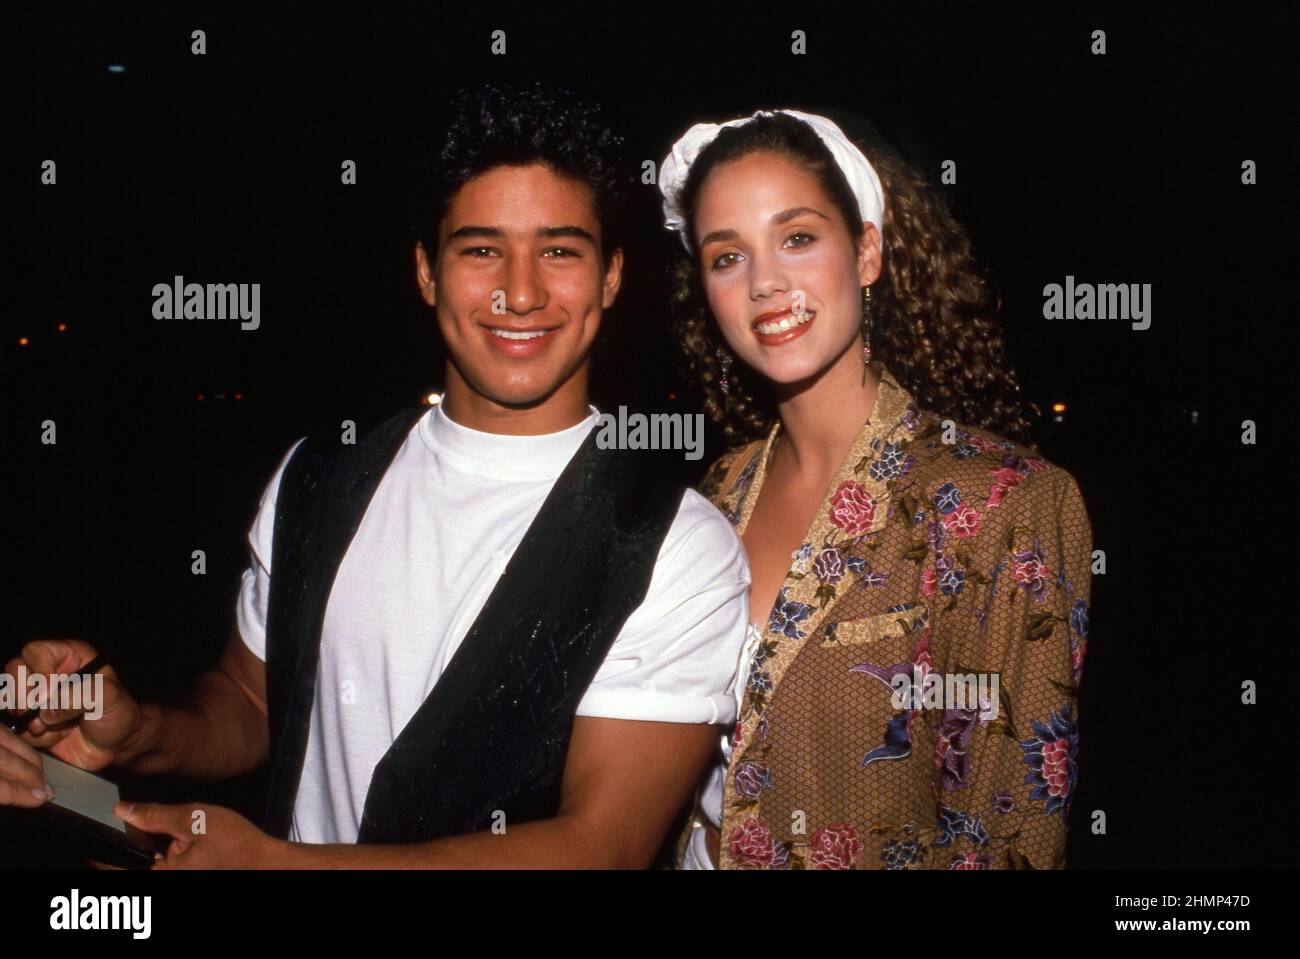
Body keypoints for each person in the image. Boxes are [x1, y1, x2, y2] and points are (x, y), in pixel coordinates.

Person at [0, 82, 750, 868]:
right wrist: (141, 731)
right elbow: (254, 699)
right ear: (427, 272)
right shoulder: (318, 474)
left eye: (559, 250)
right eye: (481, 249)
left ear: (611, 277)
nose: (519, 290)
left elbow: (600, 845)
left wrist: (275, 867)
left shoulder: (675, 546)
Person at [660, 109, 1093, 869]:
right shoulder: (717, 492)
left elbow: (1003, 834)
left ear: (866, 252)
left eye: (798, 238)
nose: (765, 282)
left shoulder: (997, 503)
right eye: (727, 256)